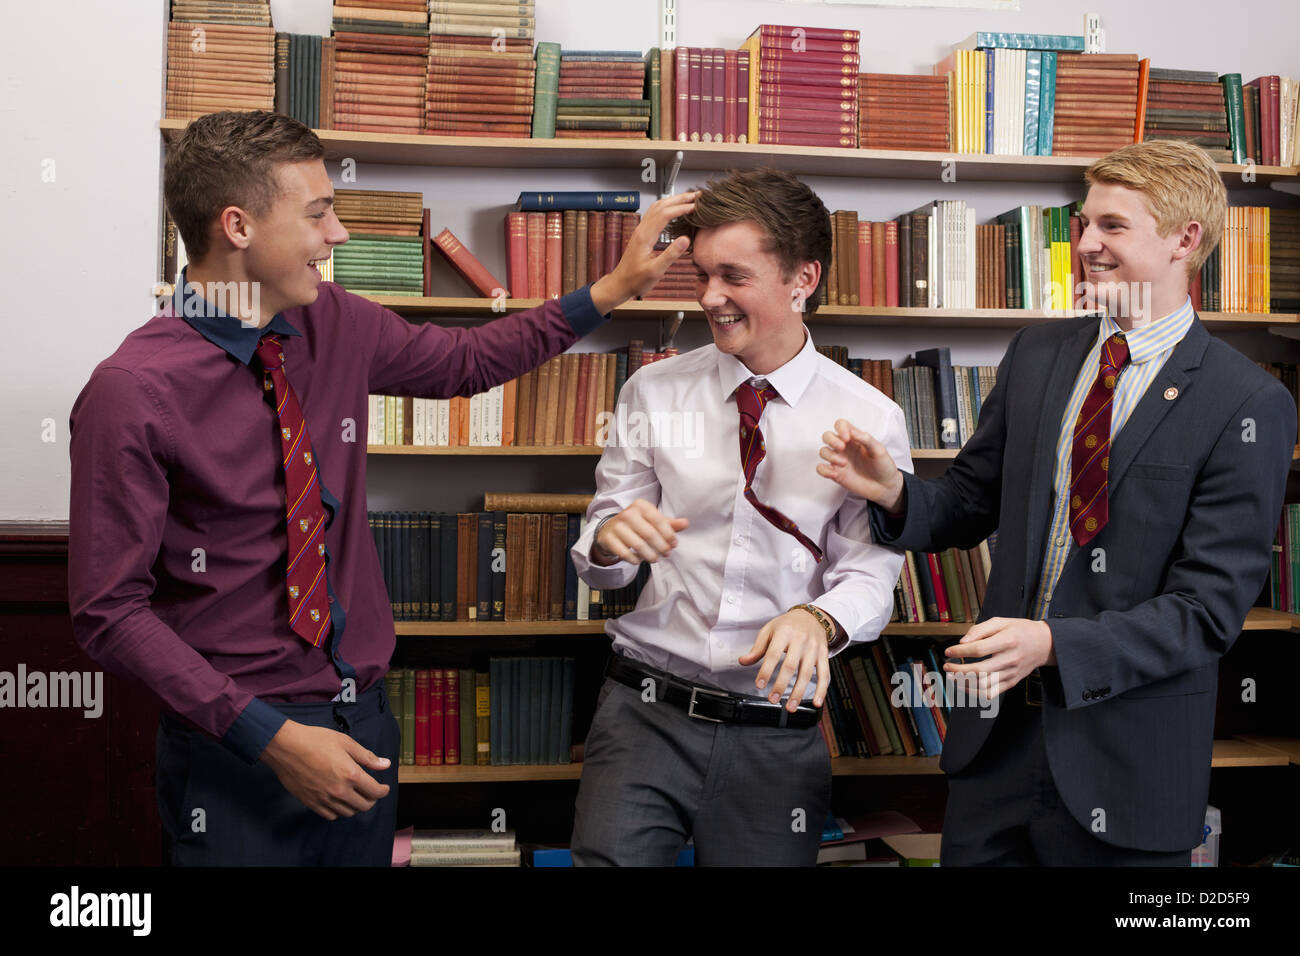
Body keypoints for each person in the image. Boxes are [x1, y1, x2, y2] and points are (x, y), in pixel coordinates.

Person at [67, 110, 696, 866]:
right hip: (233, 749)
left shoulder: (334, 321)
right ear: (237, 226)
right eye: (317, 213)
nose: (337, 234)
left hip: (362, 726)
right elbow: (109, 613)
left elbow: (469, 362)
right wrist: (269, 738)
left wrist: (614, 288)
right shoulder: (131, 391)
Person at [818, 139, 1296, 865]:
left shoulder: (1247, 401)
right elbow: (969, 502)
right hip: (995, 750)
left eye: (1112, 226)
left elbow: (1206, 612)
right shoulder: (1038, 354)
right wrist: (893, 492)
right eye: (1083, 224)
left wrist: (1051, 646)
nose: (1086, 244)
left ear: (1184, 240)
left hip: (1126, 764)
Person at [569, 167, 911, 866]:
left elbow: (872, 576)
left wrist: (817, 619)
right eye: (702, 275)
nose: (709, 297)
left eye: (734, 276)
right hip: (642, 715)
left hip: (774, 734)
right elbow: (602, 555)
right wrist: (608, 540)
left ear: (803, 278)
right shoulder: (651, 391)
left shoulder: (872, 418)